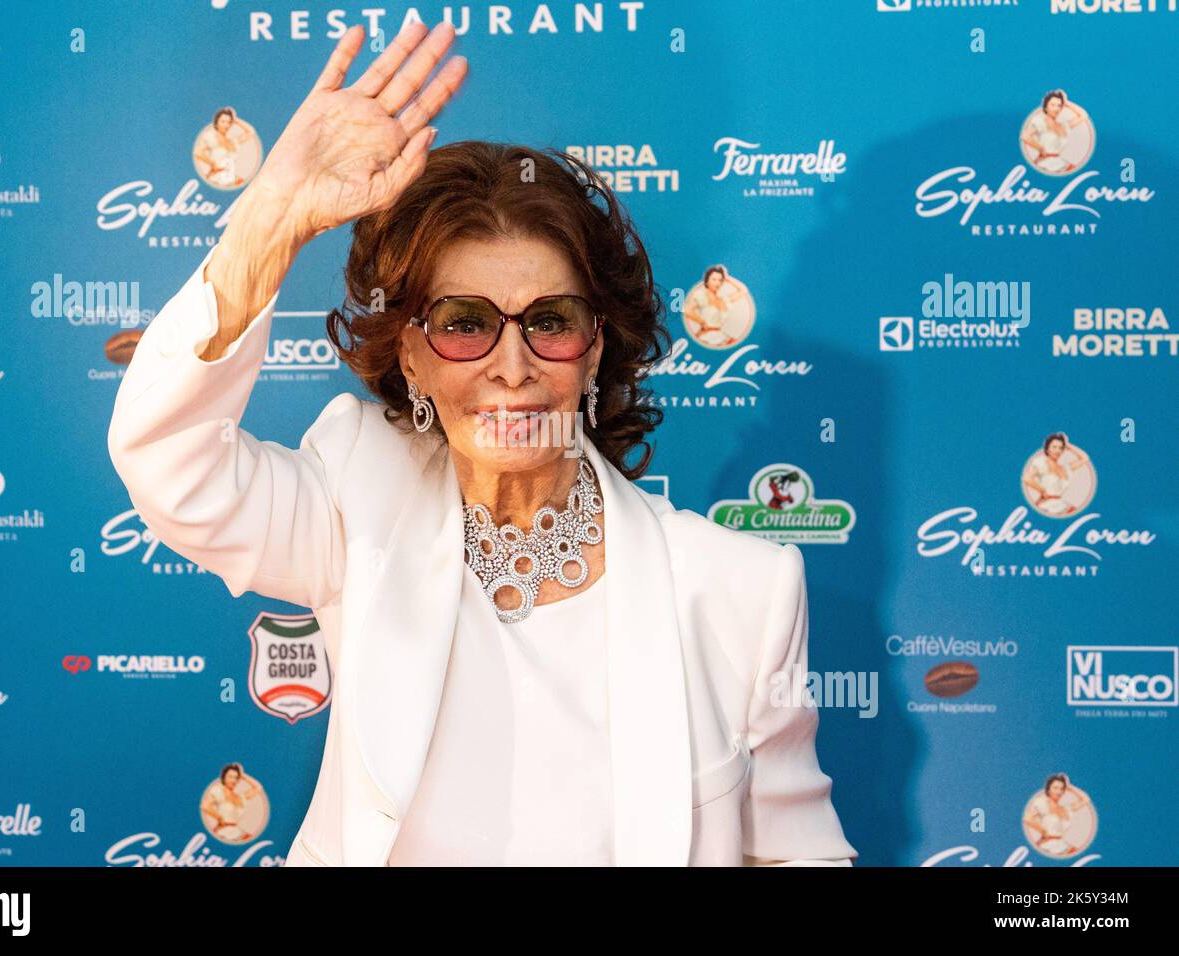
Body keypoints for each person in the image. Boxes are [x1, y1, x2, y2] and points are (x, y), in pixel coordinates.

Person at [108, 20, 856, 867]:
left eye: (551, 321)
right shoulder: (357, 496)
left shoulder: (743, 590)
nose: (513, 366)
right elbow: (172, 468)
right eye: (465, 324)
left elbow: (796, 855)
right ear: (415, 356)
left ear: (596, 347)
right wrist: (267, 225)